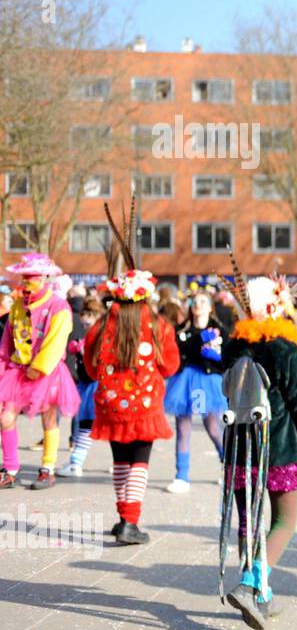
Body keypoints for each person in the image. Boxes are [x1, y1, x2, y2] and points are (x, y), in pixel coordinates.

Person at [221, 273, 297, 629]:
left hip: (239, 451)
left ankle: (262, 597)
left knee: (248, 524)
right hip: (278, 450)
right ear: (276, 307)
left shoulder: (233, 347)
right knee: (285, 522)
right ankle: (249, 584)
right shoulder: (285, 349)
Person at [82, 216, 181, 544]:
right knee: (139, 462)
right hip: (145, 403)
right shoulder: (157, 325)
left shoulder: (101, 325)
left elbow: (90, 365)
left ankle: (123, 517)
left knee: (120, 461)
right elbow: (170, 365)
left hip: (110, 402)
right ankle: (130, 521)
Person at [0, 254, 82, 490]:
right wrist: (3, 365)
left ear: (45, 278)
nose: (26, 283)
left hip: (46, 373)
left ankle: (47, 469)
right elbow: (7, 339)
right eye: (24, 278)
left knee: (48, 419)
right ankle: (10, 468)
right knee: (6, 417)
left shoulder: (58, 306)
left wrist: (39, 367)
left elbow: (56, 341)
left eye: (32, 278)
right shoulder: (17, 305)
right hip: (16, 371)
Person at [163, 291, 228, 493]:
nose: (198, 305)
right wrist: (198, 340)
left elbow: (227, 357)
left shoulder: (220, 331)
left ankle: (229, 467)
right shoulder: (182, 330)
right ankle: (181, 476)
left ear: (210, 307)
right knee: (183, 428)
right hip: (185, 383)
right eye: (195, 302)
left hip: (208, 384)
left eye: (203, 301)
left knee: (213, 427)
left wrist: (217, 358)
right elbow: (177, 350)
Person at [57, 296, 104, 478]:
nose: (85, 319)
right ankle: (76, 462)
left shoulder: (99, 339)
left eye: (90, 315)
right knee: (85, 425)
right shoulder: (84, 338)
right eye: (84, 314)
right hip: (86, 386)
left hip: (96, 387)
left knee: (99, 426)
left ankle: (122, 462)